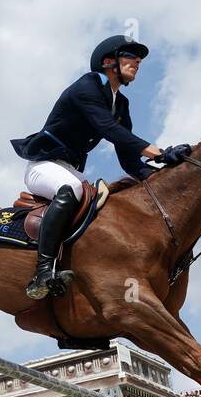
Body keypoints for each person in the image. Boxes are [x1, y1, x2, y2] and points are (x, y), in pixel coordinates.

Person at [10, 34, 191, 299]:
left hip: (70, 168)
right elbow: (108, 129)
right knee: (72, 188)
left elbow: (128, 159)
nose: (137, 62)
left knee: (102, 205)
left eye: (138, 58)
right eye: (130, 56)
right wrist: (160, 152)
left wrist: (164, 177)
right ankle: (42, 272)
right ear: (108, 62)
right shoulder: (88, 85)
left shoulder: (122, 103)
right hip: (43, 165)